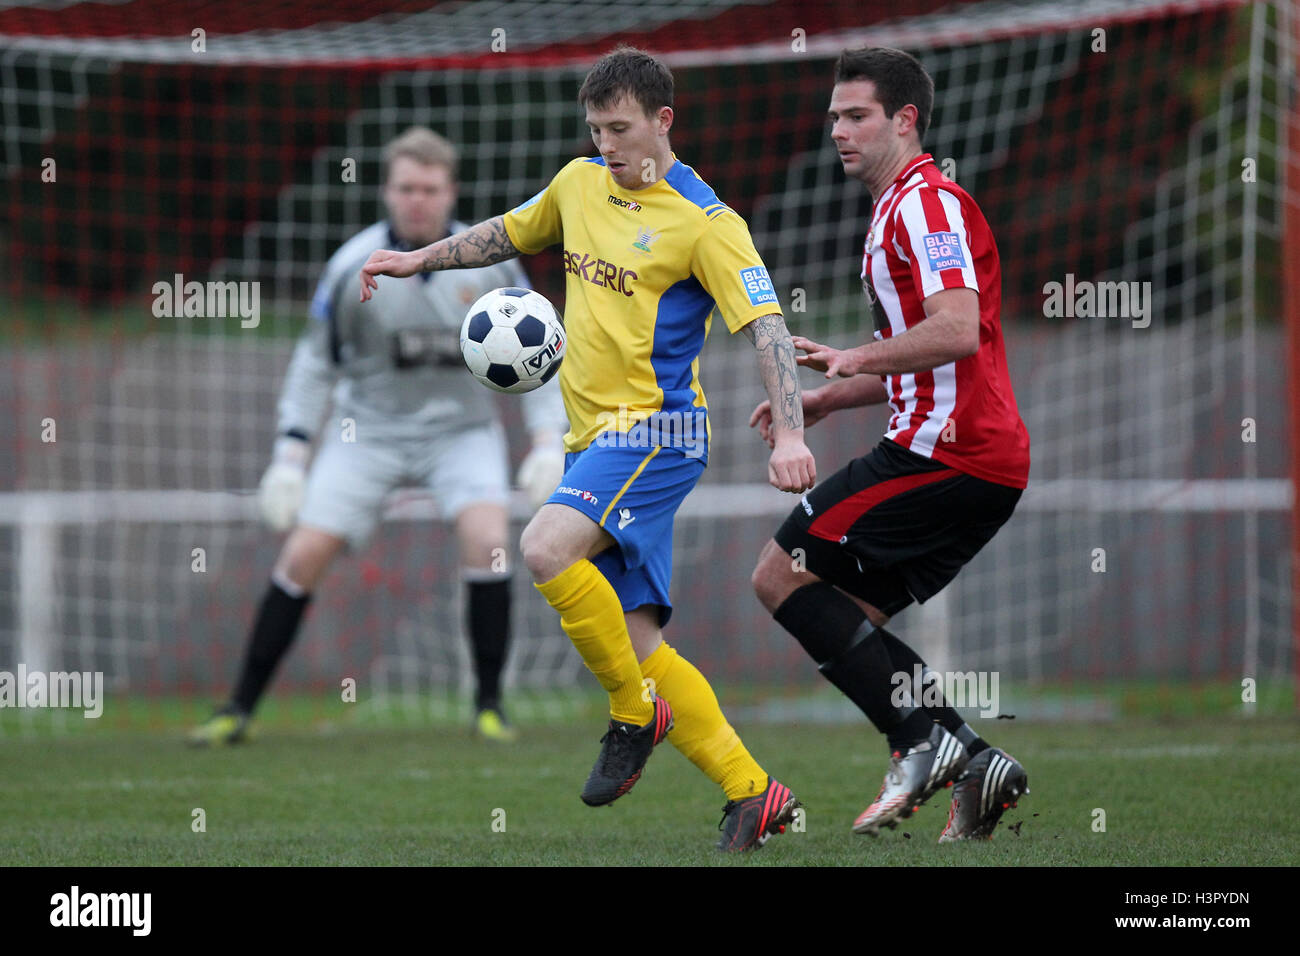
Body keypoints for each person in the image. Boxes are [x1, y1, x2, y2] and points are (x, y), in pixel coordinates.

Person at [359, 47, 816, 851]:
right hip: (590, 445)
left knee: (539, 546)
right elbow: (507, 233)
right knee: (641, 645)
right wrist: (418, 260)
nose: (606, 144)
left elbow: (767, 327)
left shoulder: (707, 223)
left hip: (658, 436)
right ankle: (755, 792)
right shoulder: (579, 183)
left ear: (663, 120)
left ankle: (633, 716)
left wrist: (792, 432)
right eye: (595, 129)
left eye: (620, 128)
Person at [189, 127, 566, 747]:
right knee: (302, 554)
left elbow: (542, 353)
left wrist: (548, 442)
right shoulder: (349, 268)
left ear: (451, 193)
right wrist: (289, 459)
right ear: (387, 192)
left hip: (462, 433)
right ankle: (238, 709)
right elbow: (315, 365)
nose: (418, 200)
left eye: (431, 188)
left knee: (488, 540)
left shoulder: (494, 263)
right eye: (406, 188)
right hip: (367, 432)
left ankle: (489, 708)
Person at [749, 47, 1030, 841]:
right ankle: (975, 765)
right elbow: (923, 349)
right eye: (834, 115)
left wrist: (858, 355)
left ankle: (921, 741)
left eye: (856, 115)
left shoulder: (924, 205)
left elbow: (956, 329)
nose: (837, 129)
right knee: (847, 617)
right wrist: (832, 394)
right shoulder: (897, 209)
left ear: (905, 120)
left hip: (947, 455)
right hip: (970, 462)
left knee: (780, 574)